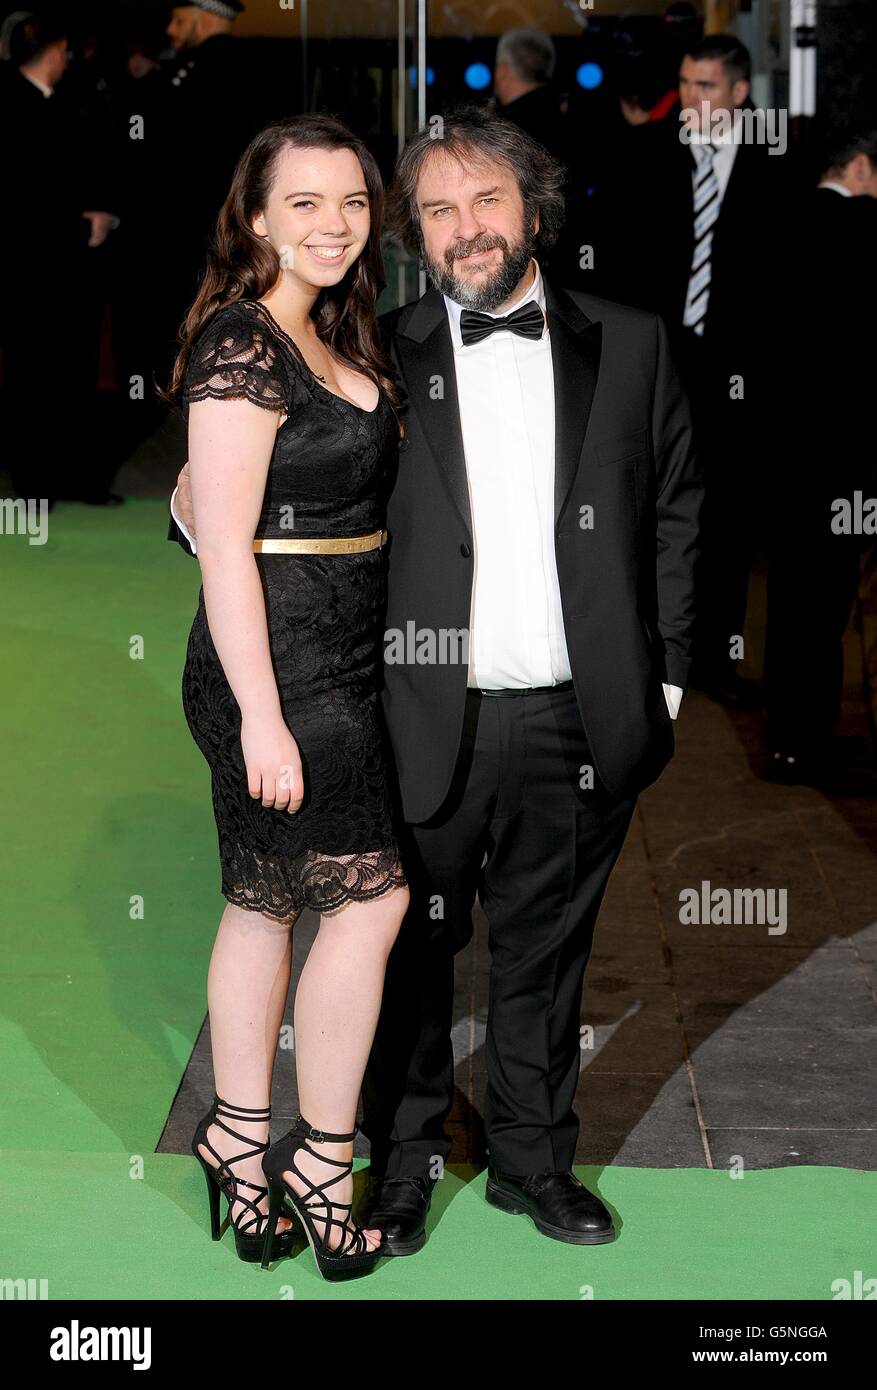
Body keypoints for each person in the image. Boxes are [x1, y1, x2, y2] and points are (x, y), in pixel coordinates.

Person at [172, 103, 703, 1252]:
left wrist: (658, 684)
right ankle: (398, 1162)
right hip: (417, 709)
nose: (466, 225)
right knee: (403, 947)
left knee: (547, 953)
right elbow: (268, 486)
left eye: (487, 199)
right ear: (415, 230)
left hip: (579, 712)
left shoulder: (635, 339)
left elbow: (674, 511)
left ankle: (530, 1160)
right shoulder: (381, 353)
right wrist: (191, 512)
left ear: (533, 208)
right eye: (438, 208)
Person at [163, 114, 410, 1280]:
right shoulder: (240, 345)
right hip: (277, 669)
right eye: (303, 202)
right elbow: (220, 544)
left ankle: (235, 1133)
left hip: (341, 655)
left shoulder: (331, 333)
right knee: (368, 902)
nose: (332, 223)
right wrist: (260, 712)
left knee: (264, 900)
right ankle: (318, 1158)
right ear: (255, 217)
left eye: (352, 202)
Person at [764, 126, 877, 787]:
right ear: (860, 166)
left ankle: (788, 741)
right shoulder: (861, 225)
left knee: (792, 595)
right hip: (843, 449)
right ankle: (810, 739)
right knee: (827, 599)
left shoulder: (778, 222)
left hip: (785, 444)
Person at [0, 8, 120, 506]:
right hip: (30, 270)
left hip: (69, 272)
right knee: (33, 378)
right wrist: (82, 224)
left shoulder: (62, 103)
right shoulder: (13, 107)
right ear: (55, 53)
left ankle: (69, 478)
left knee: (71, 375)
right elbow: (21, 199)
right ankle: (36, 485)